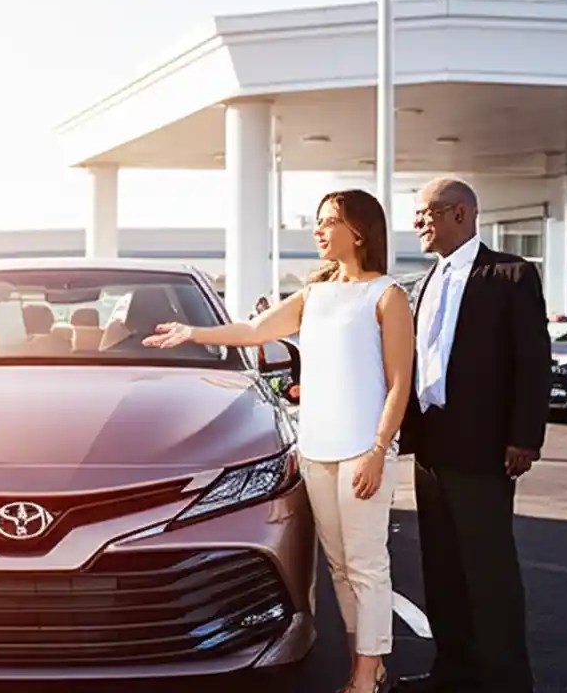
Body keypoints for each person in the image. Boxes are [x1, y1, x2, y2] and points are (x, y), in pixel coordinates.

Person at [145, 189, 415, 693]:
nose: (317, 230)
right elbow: (252, 331)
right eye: (317, 221)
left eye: (328, 222)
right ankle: (369, 662)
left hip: (363, 450)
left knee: (367, 565)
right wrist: (192, 333)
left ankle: (364, 673)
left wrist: (379, 450)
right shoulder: (314, 294)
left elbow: (400, 381)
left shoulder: (386, 295)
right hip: (315, 450)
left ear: (358, 231)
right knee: (339, 567)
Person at [391, 178, 550, 693]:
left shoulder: (510, 275)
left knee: (488, 568)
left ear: (459, 213)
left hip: (483, 446)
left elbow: (532, 362)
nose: (417, 224)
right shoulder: (422, 284)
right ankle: (454, 671)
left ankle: (505, 680)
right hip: (431, 445)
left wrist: (524, 437)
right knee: (441, 568)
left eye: (424, 214)